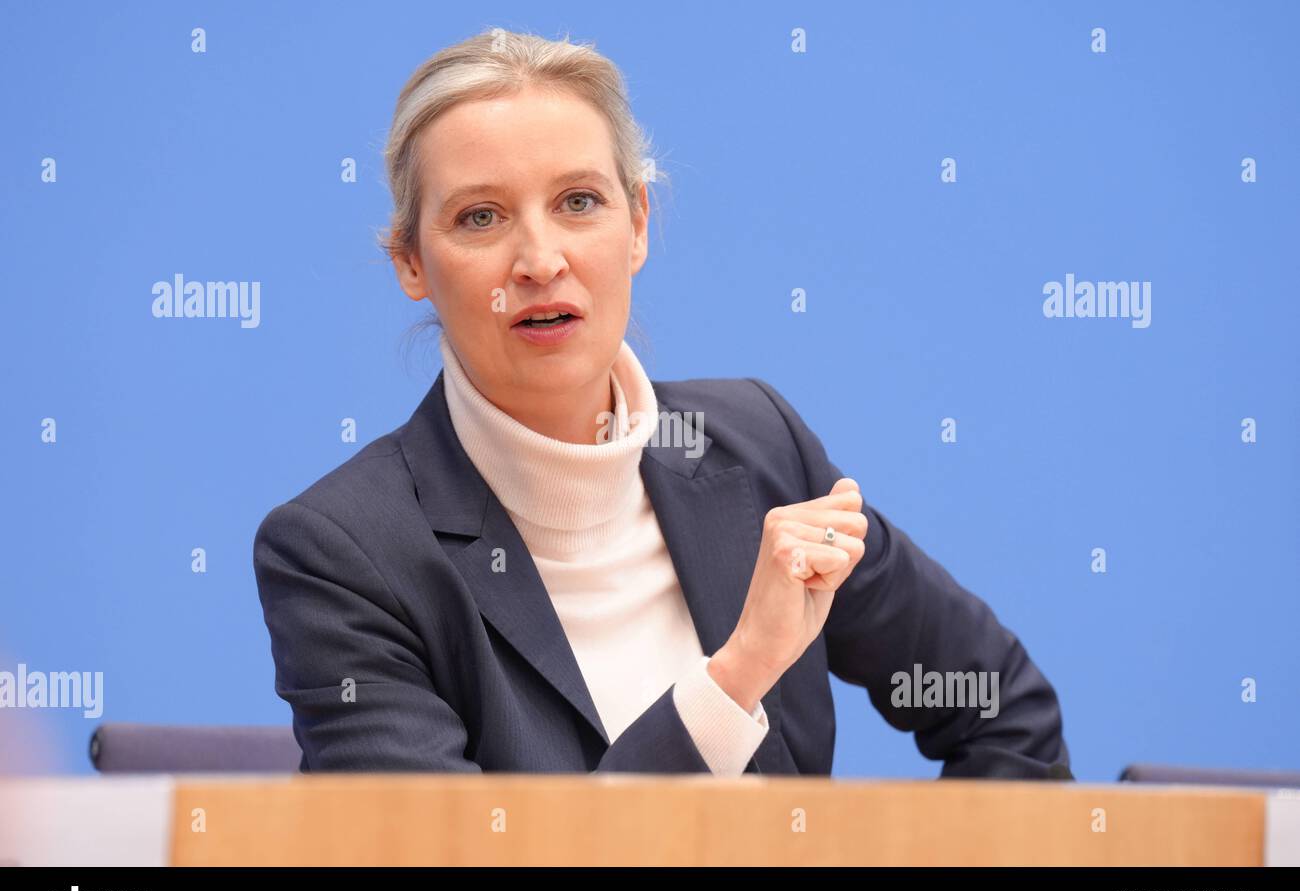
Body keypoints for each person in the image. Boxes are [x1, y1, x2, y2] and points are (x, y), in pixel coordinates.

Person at [252, 27, 1071, 778]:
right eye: (480, 216)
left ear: (638, 223)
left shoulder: (759, 449)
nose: (540, 259)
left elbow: (998, 706)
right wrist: (736, 675)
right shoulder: (343, 555)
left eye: (579, 202)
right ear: (411, 264)